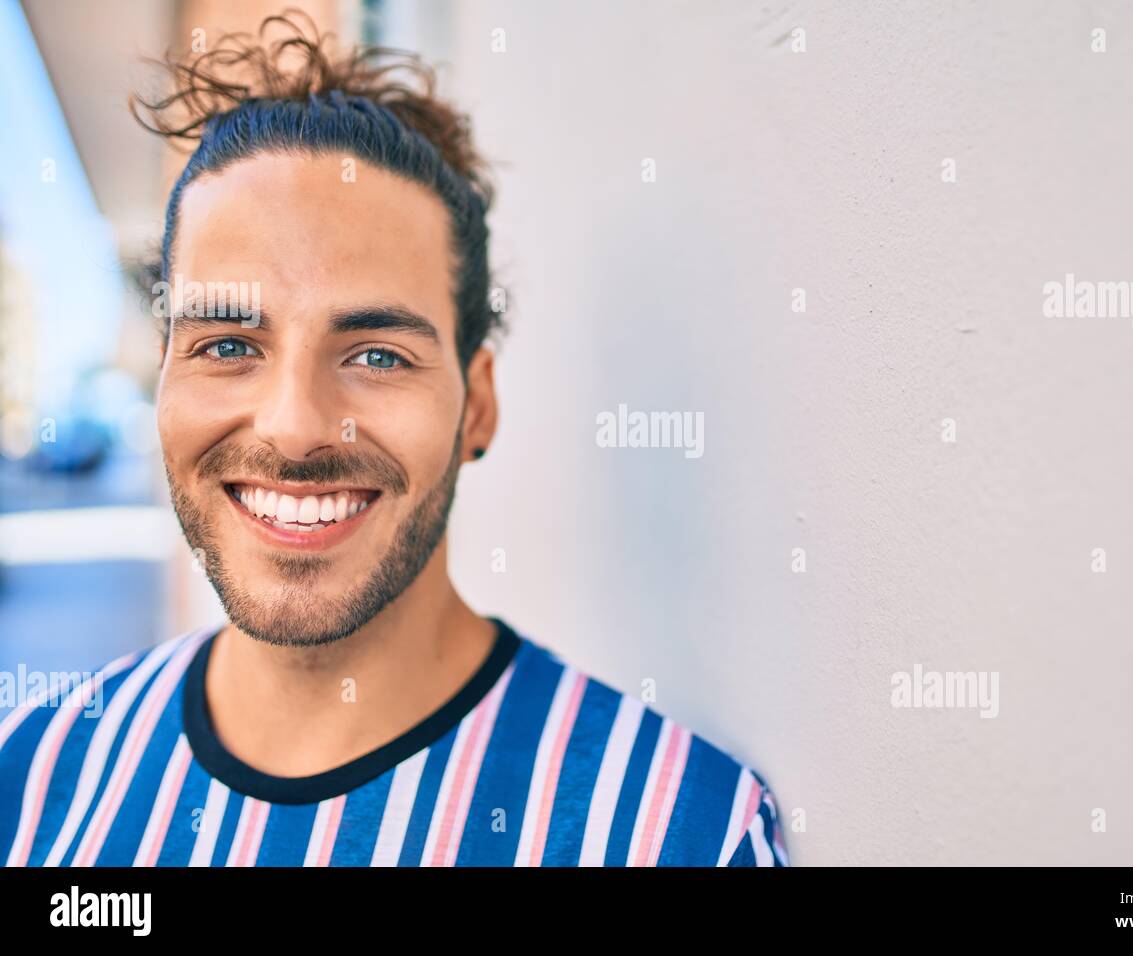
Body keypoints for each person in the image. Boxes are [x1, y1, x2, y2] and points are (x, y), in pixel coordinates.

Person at [0, 12, 786, 867]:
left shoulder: (673, 832)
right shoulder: (32, 778)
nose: (296, 428)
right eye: (227, 346)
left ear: (477, 405)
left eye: (377, 354)